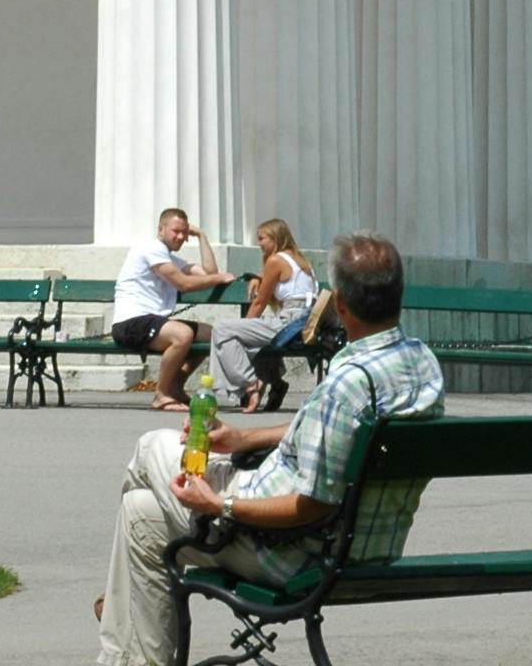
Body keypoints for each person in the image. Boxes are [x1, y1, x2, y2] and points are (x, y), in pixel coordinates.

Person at [91, 231, 443, 666]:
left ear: (342, 306)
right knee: (140, 516)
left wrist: (220, 504)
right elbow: (331, 431)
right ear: (397, 296)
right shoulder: (421, 363)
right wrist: (243, 438)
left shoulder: (349, 382)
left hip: (287, 549)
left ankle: (117, 597)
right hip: (370, 547)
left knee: (151, 446)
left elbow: (311, 505)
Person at [111, 207, 233, 411]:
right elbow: (183, 284)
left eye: (184, 232)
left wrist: (202, 236)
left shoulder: (170, 258)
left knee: (210, 334)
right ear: (161, 230)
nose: (181, 236)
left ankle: (176, 386)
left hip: (152, 321)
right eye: (175, 231)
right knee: (182, 335)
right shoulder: (151, 249)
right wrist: (219, 279)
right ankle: (161, 395)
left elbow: (209, 272)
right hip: (130, 323)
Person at [211, 219, 324, 414]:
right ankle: (275, 383)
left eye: (262, 238)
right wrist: (258, 276)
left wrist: (243, 326)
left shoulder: (275, 260)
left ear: (275, 238)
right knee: (257, 339)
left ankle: (250, 386)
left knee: (222, 330)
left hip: (291, 322)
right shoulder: (301, 261)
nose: (259, 244)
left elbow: (259, 302)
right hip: (305, 322)